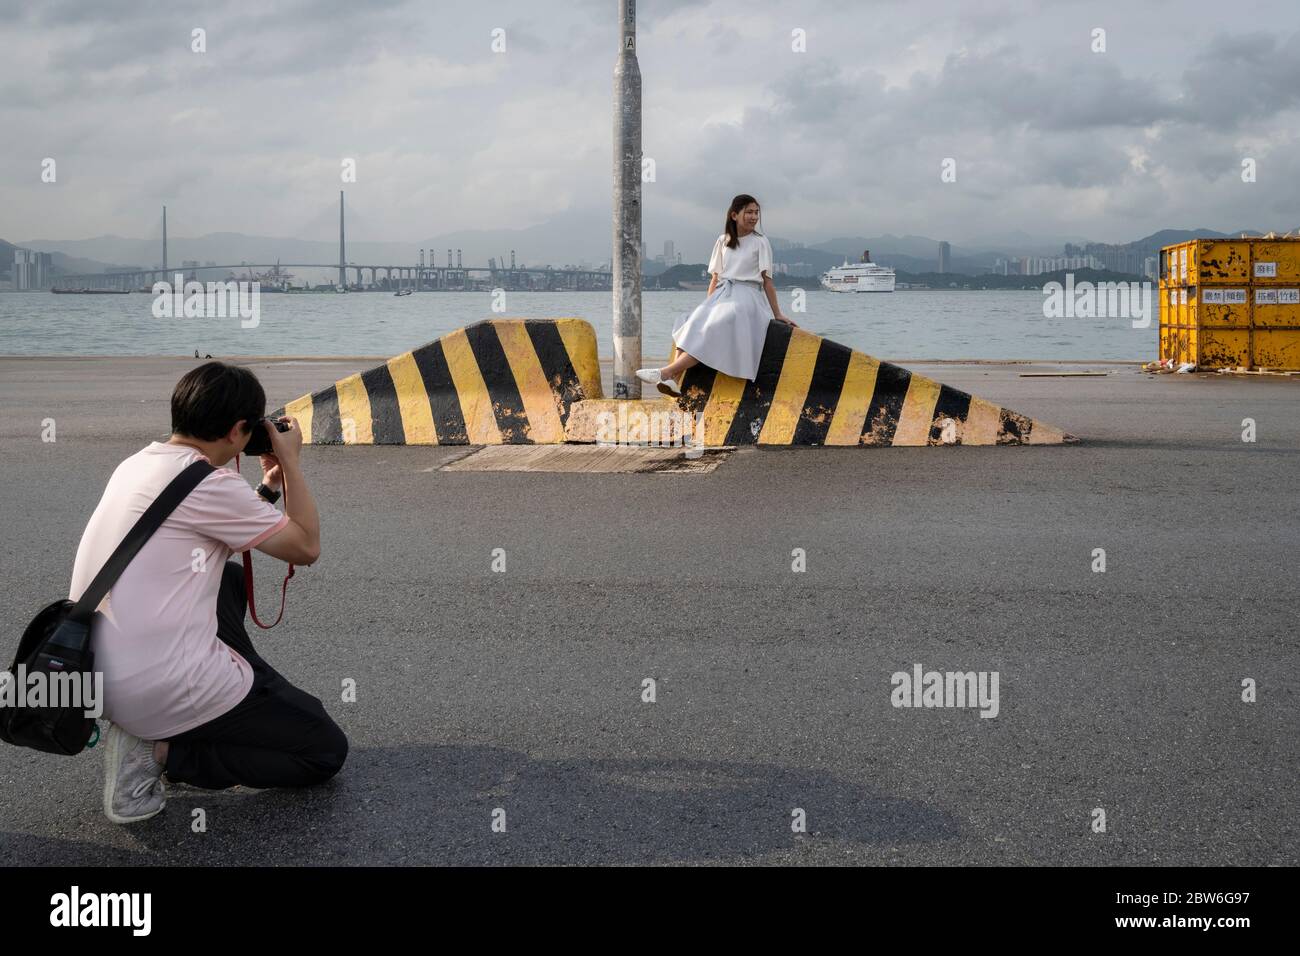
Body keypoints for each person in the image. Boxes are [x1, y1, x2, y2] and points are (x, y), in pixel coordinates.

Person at [68, 362, 346, 824]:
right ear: (240, 429)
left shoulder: (141, 462)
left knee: (229, 582)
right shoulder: (211, 484)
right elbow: (306, 547)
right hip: (156, 687)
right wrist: (292, 462)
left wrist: (269, 488)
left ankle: (199, 708)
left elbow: (215, 524)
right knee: (322, 748)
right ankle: (160, 753)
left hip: (99, 668)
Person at [637, 193, 798, 397]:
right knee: (693, 321)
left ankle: (666, 372)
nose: (754, 217)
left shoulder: (761, 241)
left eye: (756, 212)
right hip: (723, 293)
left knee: (715, 326)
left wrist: (778, 313)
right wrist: (707, 306)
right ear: (734, 215)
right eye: (749, 212)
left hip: (748, 297)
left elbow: (767, 281)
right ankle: (674, 380)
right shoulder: (723, 240)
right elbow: (715, 278)